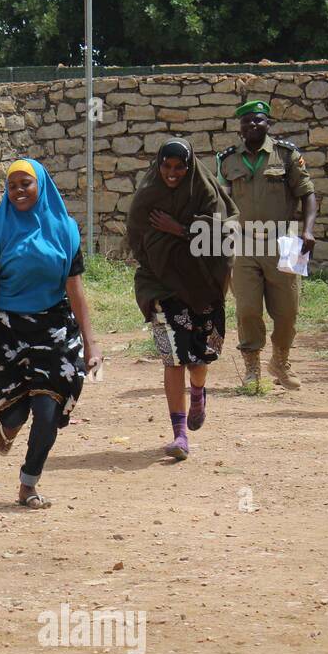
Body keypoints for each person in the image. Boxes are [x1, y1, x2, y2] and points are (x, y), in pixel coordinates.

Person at [0, 159, 100, 509]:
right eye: (12, 186)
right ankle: (8, 429)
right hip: (7, 330)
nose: (18, 191)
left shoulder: (65, 230)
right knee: (15, 414)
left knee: (47, 412)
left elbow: (75, 290)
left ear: (41, 185)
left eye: (25, 183)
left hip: (53, 330)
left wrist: (91, 343)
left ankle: (29, 483)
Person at [128, 138, 239, 461]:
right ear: (158, 165)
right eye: (166, 166)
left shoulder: (205, 192)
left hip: (204, 285)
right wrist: (161, 261)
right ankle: (179, 434)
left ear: (189, 167)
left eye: (180, 167)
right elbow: (137, 238)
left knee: (200, 358)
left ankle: (199, 392)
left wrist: (182, 230)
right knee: (174, 357)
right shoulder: (148, 196)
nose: (172, 173)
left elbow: (224, 232)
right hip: (161, 286)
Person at [216, 99, 318, 390]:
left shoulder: (286, 155)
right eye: (246, 121)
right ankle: (252, 369)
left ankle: (281, 361)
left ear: (268, 124)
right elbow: (221, 202)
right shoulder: (227, 160)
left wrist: (308, 230)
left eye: (258, 120)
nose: (252, 125)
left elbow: (307, 193)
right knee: (248, 309)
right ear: (240, 127)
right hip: (244, 243)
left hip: (285, 241)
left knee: (287, 311)